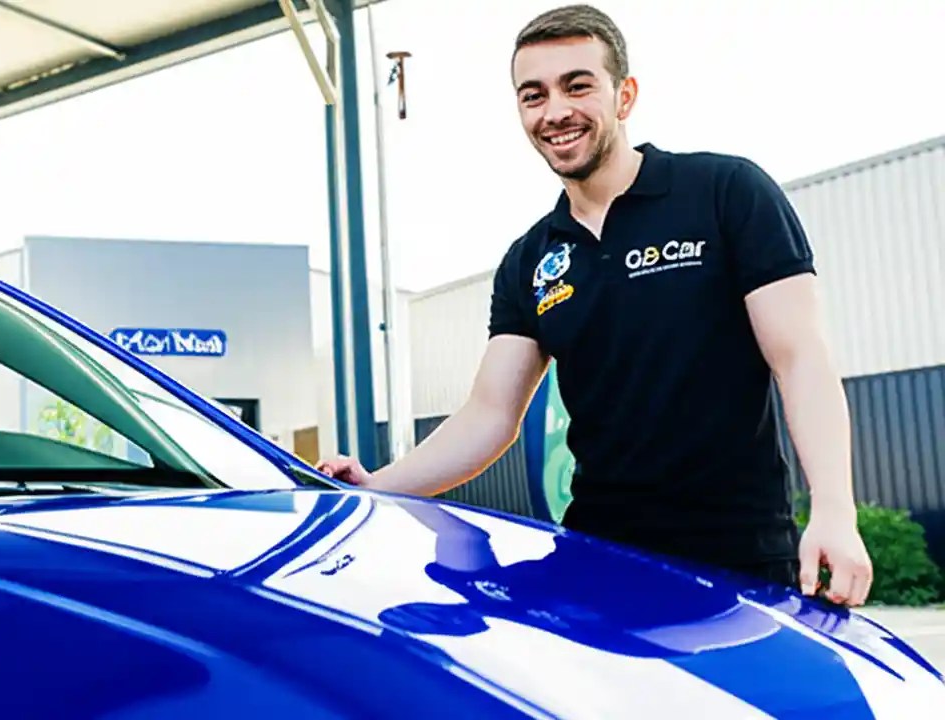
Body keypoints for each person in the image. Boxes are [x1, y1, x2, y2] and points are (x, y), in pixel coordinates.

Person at [317, 3, 873, 606]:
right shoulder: (530, 258)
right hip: (597, 562)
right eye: (533, 95)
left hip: (739, 563)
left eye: (576, 86)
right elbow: (488, 416)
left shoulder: (725, 193)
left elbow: (801, 359)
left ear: (624, 95)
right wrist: (376, 487)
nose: (554, 111)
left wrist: (835, 512)